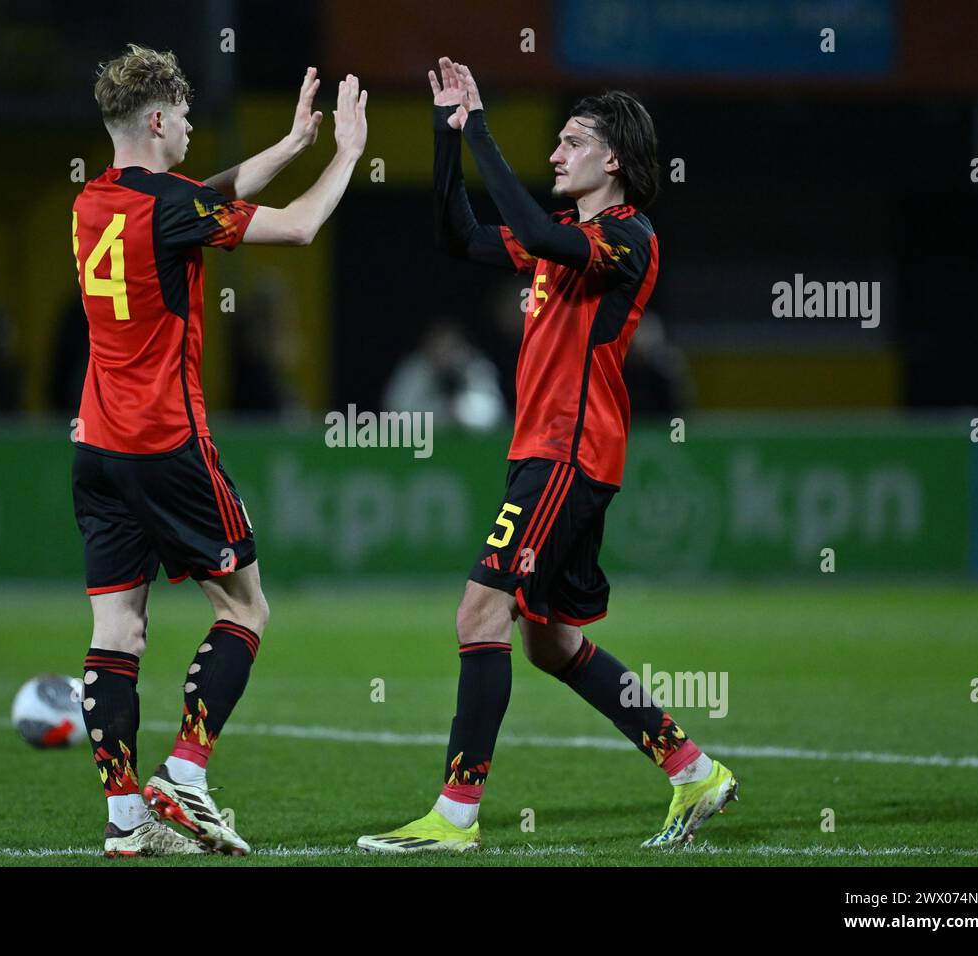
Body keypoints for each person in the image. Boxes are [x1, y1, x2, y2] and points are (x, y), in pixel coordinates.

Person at [357, 58, 736, 853]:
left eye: (572, 143)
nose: (557, 155)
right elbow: (455, 234)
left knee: (479, 612)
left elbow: (527, 230)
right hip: (551, 456)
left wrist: (482, 125)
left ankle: (456, 816)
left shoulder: (627, 238)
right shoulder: (563, 243)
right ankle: (692, 770)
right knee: (549, 640)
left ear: (615, 163)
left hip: (566, 455)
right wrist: (446, 131)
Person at [70, 44, 367, 857]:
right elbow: (302, 228)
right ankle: (187, 775)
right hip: (167, 443)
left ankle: (128, 821)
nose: (195, 127)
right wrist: (343, 155)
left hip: (96, 450)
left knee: (117, 634)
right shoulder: (168, 208)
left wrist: (290, 144)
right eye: (189, 116)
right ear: (159, 119)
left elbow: (195, 201)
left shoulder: (92, 202)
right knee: (244, 608)